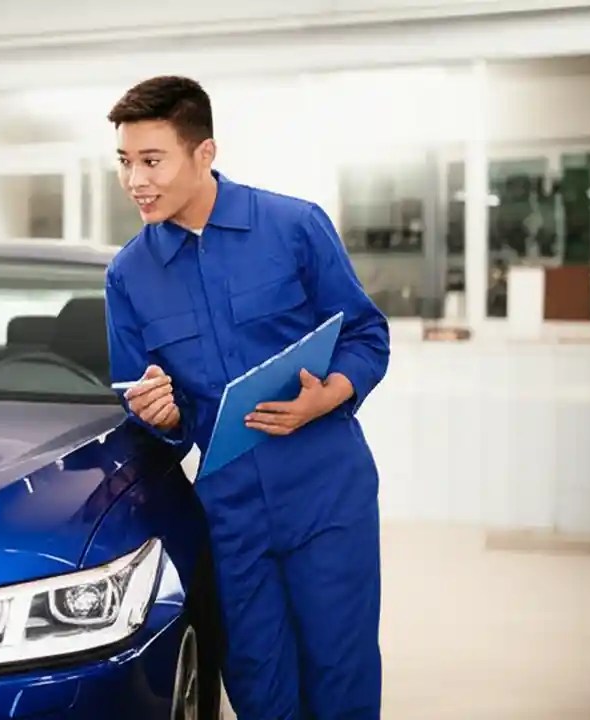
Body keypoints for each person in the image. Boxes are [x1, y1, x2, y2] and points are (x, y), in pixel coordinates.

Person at [103, 76, 390, 720]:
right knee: (258, 681)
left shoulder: (293, 226)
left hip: (326, 491)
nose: (135, 180)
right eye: (125, 162)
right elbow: (144, 406)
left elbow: (368, 336)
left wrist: (328, 396)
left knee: (339, 672)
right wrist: (162, 416)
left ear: (204, 153)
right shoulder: (128, 276)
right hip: (230, 509)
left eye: (152, 161)